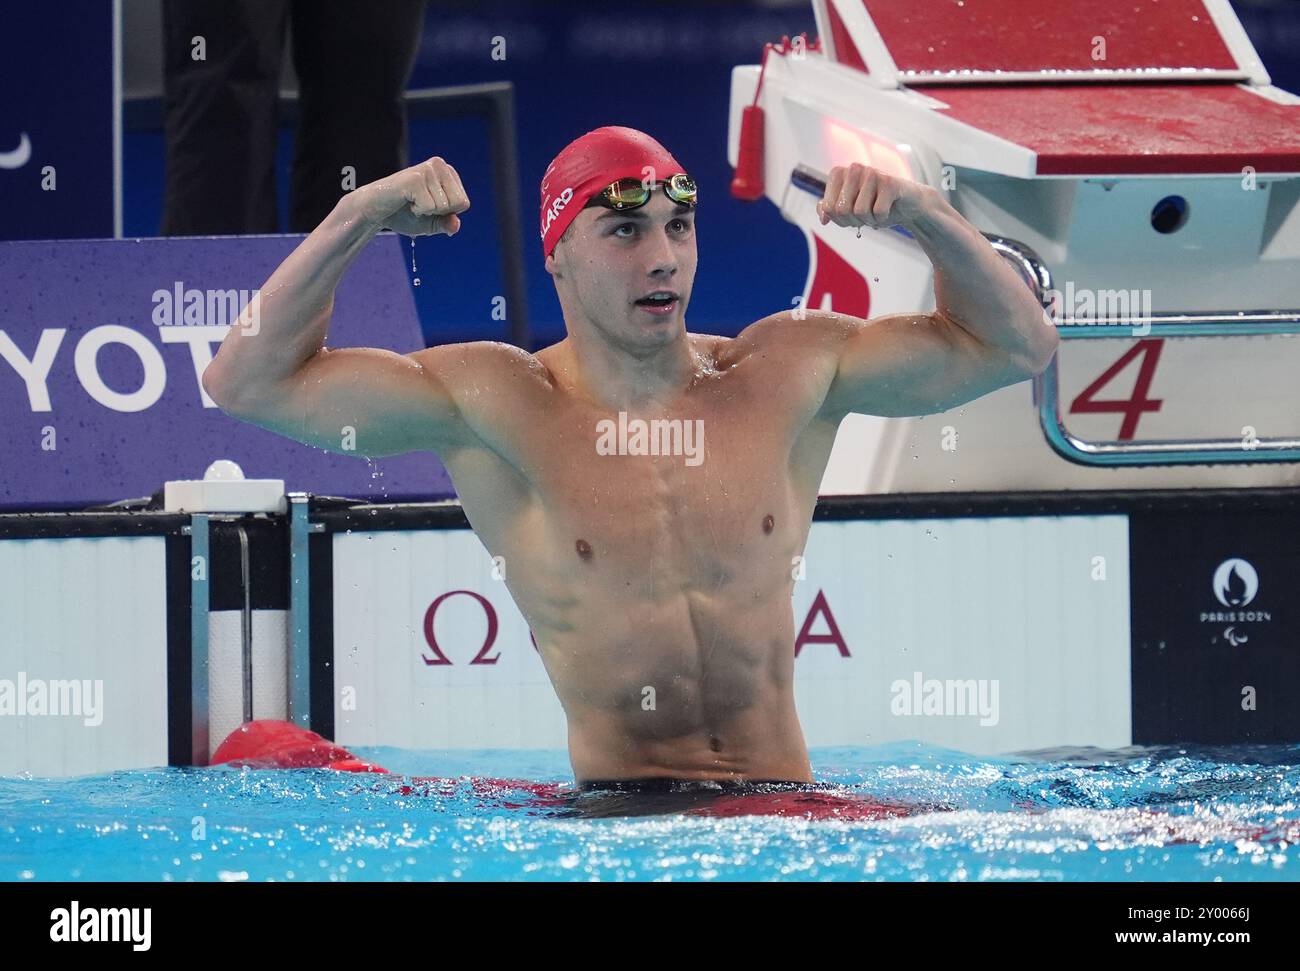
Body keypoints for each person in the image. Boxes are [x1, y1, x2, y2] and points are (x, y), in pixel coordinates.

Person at [202, 126, 1059, 791]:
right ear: (558, 256)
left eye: (678, 227)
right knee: (258, 750)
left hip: (789, 811)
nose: (662, 257)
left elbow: (1018, 346)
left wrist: (928, 216)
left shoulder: (784, 370)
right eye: (623, 230)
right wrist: (356, 219)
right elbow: (246, 380)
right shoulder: (498, 402)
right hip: (620, 822)